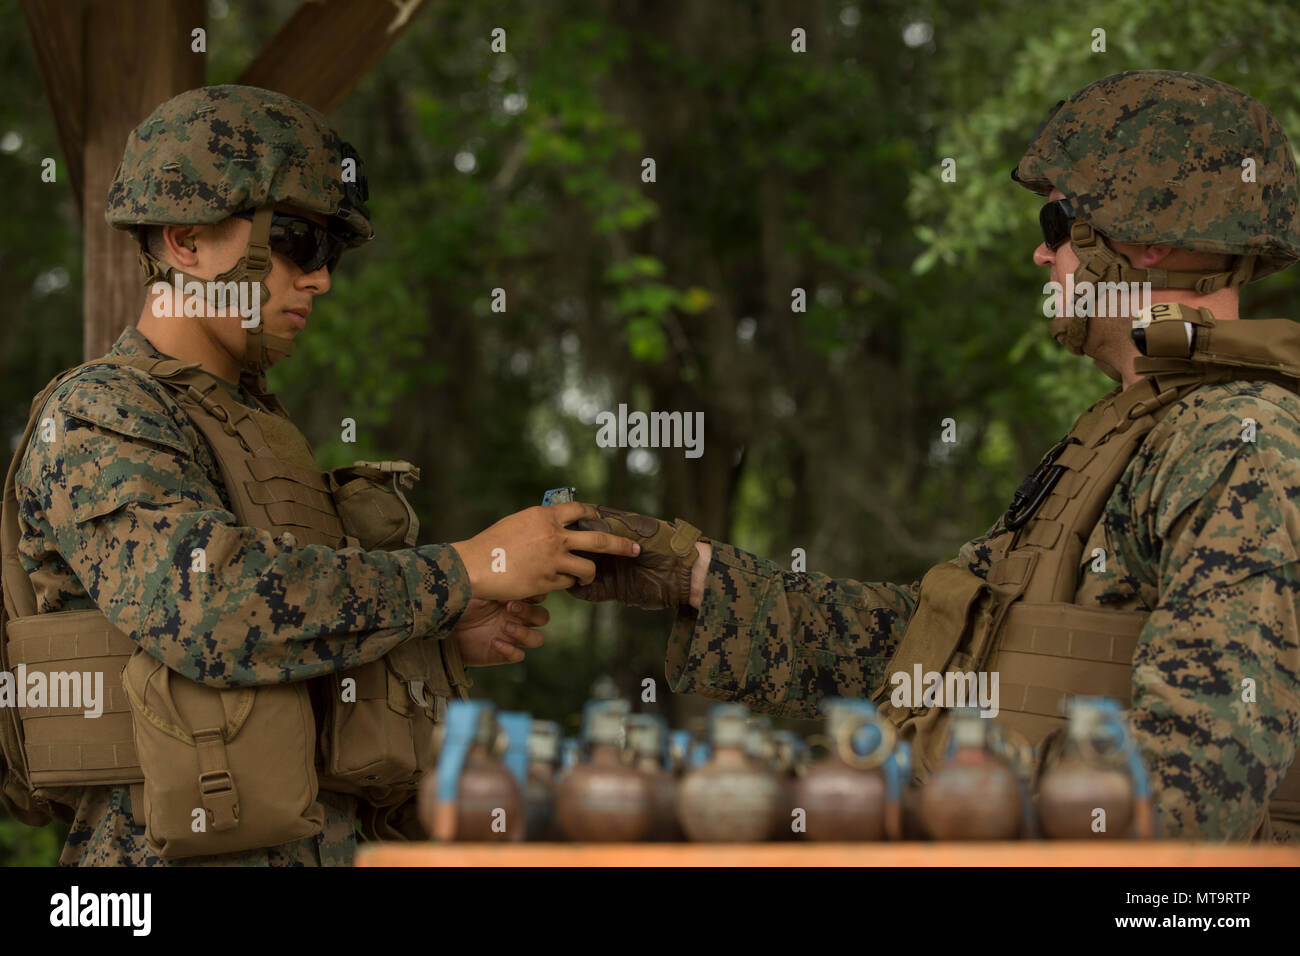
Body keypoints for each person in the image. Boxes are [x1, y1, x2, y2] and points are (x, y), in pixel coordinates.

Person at [571, 70, 1300, 843]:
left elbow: (1200, 786)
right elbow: (933, 644)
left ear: (1148, 238)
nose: (1040, 254)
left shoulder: (1240, 444)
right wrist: (688, 575)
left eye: (1057, 224)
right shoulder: (1125, 436)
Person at [0, 84, 637, 866]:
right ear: (186, 241)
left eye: (329, 253)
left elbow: (287, 650)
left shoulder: (253, 429)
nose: (320, 279)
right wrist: (463, 571)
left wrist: (441, 626)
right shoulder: (99, 411)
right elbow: (207, 609)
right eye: (296, 242)